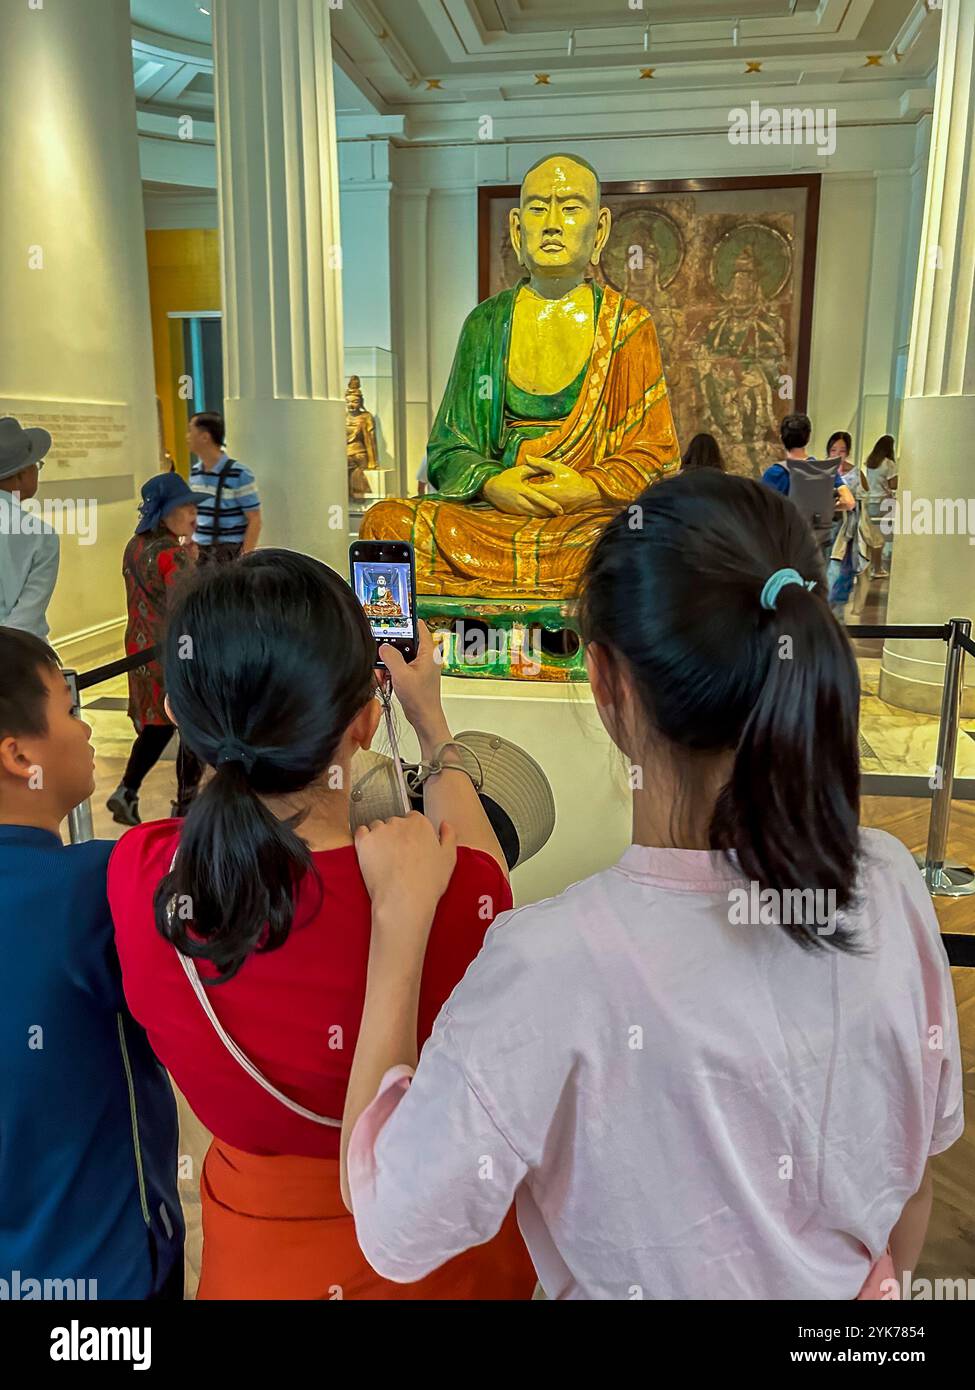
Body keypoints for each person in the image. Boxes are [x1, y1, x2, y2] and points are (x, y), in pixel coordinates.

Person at [340, 469, 963, 1301]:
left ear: (606, 683)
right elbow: (913, 1186)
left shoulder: (546, 968)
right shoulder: (889, 882)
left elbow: (392, 1228)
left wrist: (395, 928)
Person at [107, 550, 536, 1300]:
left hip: (254, 1259)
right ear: (365, 722)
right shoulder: (454, 894)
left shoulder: (142, 875)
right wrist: (432, 723)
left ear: (179, 717)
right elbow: (483, 861)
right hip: (428, 1258)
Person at [0, 628, 183, 1298]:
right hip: (102, 1274)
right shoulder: (97, 886)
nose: (82, 733)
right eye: (68, 711)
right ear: (20, 755)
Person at [107, 474, 209, 827]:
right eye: (186, 506)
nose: (194, 512)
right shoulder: (172, 555)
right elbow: (186, 608)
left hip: (141, 649)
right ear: (165, 515)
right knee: (191, 724)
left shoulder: (135, 546)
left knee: (159, 724)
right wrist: (192, 565)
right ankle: (185, 807)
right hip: (174, 652)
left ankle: (126, 790)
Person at [0, 416, 59, 640]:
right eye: (36, 465)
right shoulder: (40, 535)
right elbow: (26, 620)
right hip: (19, 659)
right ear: (22, 474)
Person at [187, 412, 262, 564]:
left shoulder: (240, 474)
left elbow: (255, 519)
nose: (187, 437)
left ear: (205, 437)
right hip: (200, 551)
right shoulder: (195, 472)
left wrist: (244, 557)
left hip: (229, 551)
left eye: (191, 431)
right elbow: (196, 512)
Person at [824, 431, 869, 617]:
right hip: (824, 528)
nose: (837, 454)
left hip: (846, 531)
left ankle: (834, 617)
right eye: (833, 449)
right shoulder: (820, 470)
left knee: (838, 573)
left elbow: (861, 499)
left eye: (842, 450)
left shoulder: (855, 473)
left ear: (848, 452)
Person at [861, 435, 898, 578]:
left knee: (871, 536)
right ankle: (877, 568)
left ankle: (870, 567)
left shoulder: (871, 462)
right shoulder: (889, 464)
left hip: (870, 501)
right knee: (880, 539)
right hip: (883, 502)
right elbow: (893, 484)